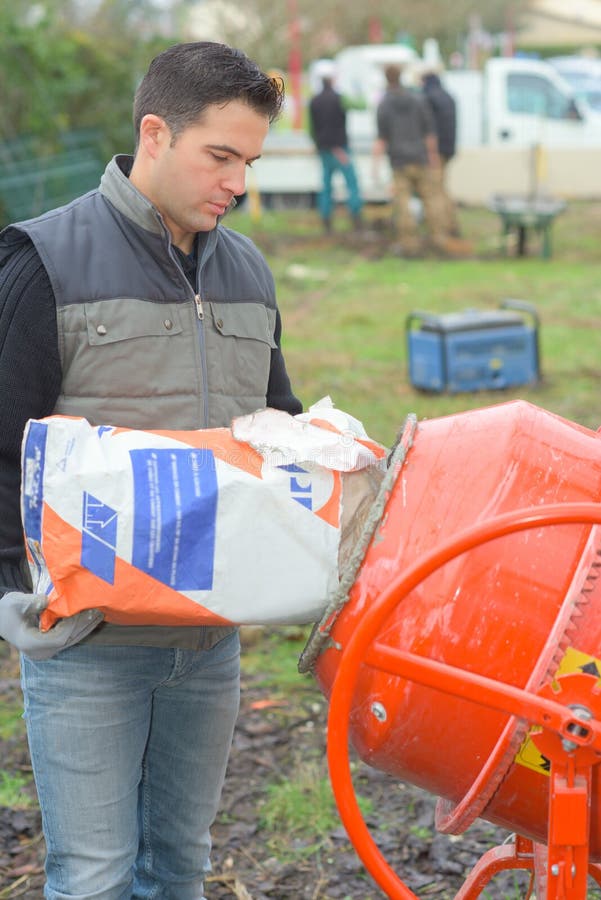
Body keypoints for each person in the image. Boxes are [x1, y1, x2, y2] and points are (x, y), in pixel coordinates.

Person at [0, 41, 301, 899]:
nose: (236, 182)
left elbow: (275, 424)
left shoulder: (247, 271)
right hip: (87, 647)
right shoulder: (44, 261)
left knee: (180, 868)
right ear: (156, 134)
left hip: (209, 645)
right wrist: (15, 602)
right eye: (221, 156)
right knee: (94, 878)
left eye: (248, 161)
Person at [373, 64, 465, 257]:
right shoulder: (418, 100)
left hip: (399, 160)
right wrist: (432, 157)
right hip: (420, 157)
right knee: (432, 199)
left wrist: (375, 165)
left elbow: (382, 139)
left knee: (403, 203)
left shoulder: (384, 105)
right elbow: (429, 133)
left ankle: (409, 244)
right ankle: (439, 238)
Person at [308, 72, 363, 233]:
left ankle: (326, 221)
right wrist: (358, 89)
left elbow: (310, 128)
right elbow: (362, 105)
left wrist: (317, 144)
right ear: (333, 81)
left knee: (326, 186)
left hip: (324, 149)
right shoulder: (340, 98)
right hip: (341, 149)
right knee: (351, 183)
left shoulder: (314, 101)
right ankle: (356, 218)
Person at [421, 68, 462, 237]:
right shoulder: (448, 96)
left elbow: (429, 128)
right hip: (449, 148)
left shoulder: (429, 98)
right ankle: (452, 225)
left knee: (435, 191)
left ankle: (440, 230)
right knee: (442, 188)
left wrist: (431, 153)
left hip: (436, 152)